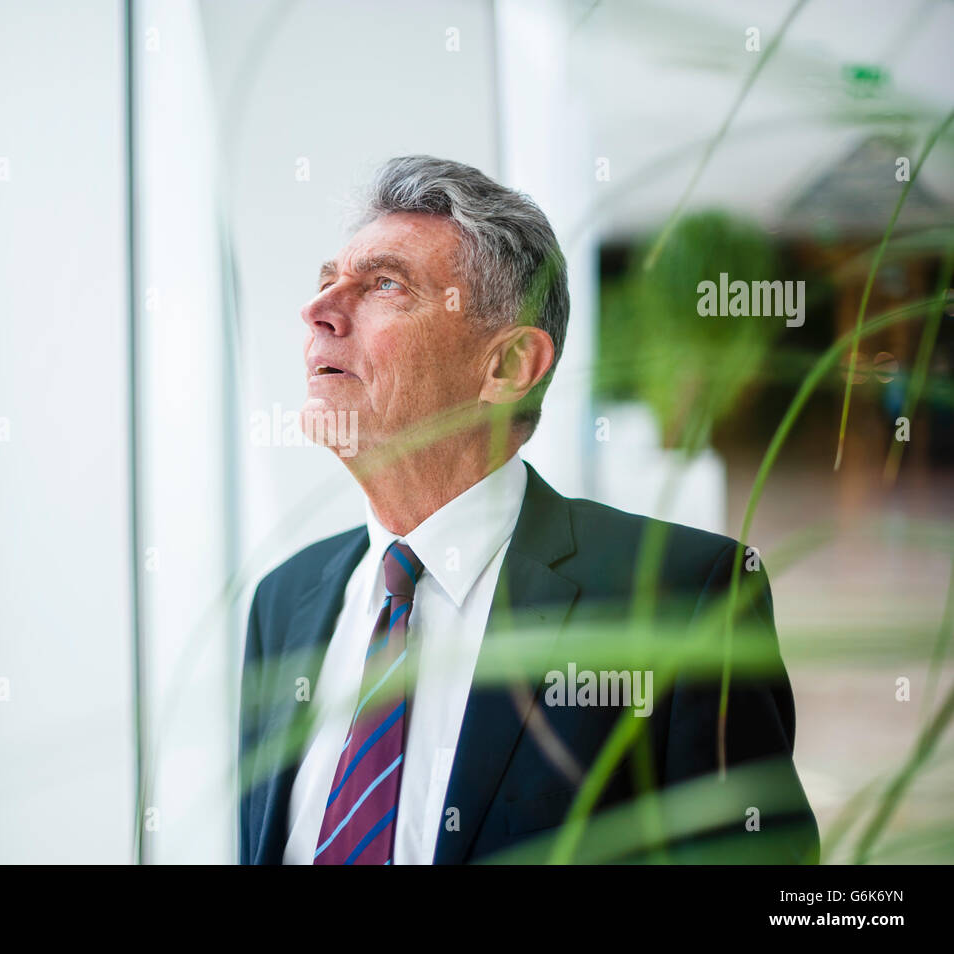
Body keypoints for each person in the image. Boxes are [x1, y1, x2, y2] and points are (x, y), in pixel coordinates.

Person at [238, 155, 818, 865]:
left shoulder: (684, 597)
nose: (317, 310)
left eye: (384, 284)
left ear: (509, 367)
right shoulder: (283, 600)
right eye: (328, 281)